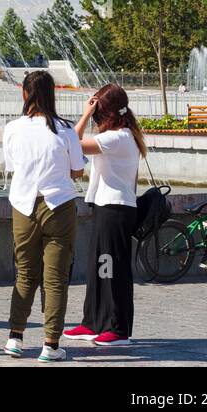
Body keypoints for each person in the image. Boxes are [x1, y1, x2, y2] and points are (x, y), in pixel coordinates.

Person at [2, 70, 85, 362]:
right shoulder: (65, 129)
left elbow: (12, 166)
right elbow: (77, 170)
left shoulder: (13, 128)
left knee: (25, 273)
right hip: (59, 206)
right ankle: (50, 344)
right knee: (55, 278)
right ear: (52, 94)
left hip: (24, 205)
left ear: (25, 94)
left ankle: (15, 337)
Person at [65, 84, 143, 347]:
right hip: (106, 207)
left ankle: (118, 328)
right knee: (100, 267)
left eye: (98, 110)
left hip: (115, 209)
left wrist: (85, 115)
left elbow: (72, 145)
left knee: (112, 269)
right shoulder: (120, 135)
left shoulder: (117, 138)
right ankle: (93, 322)